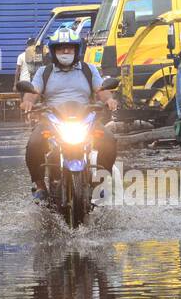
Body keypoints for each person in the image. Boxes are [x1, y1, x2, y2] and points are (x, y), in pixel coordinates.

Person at [21, 27, 118, 204]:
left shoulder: (89, 70)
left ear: (76, 50)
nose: (65, 51)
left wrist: (109, 100)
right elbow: (33, 92)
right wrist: (28, 101)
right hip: (53, 119)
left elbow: (101, 90)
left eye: (69, 48)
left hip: (85, 118)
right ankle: (40, 185)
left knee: (109, 140)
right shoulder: (45, 72)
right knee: (34, 144)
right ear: (53, 51)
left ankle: (100, 181)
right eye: (60, 48)